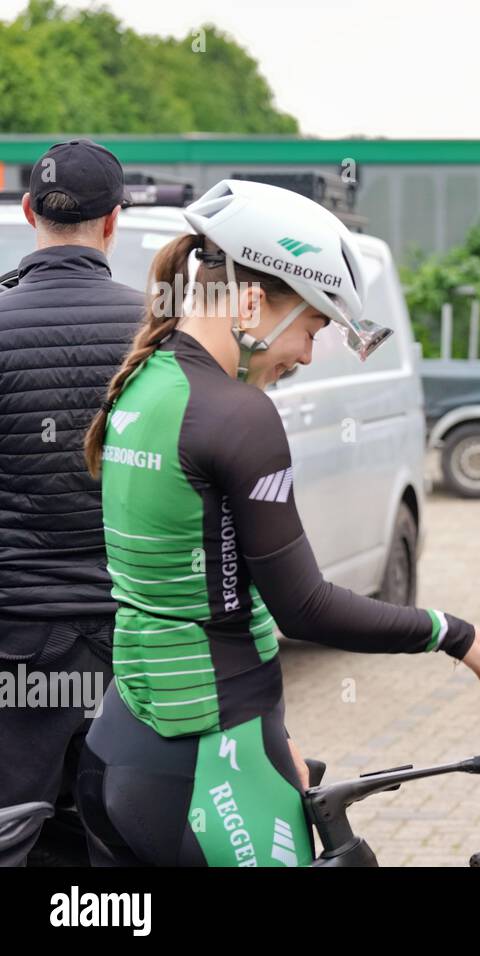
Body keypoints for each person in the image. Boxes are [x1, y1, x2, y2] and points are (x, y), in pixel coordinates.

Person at [74, 179, 480, 866]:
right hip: (211, 758)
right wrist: (455, 635)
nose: (306, 354)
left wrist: (269, 739)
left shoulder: (146, 381)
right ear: (249, 302)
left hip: (128, 744)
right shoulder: (237, 414)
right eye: (311, 325)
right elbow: (304, 606)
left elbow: (211, 582)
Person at [0, 141, 142, 866]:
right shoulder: (156, 333)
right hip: (134, 642)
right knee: (115, 837)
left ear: (28, 212)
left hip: (18, 644)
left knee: (14, 835)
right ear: (114, 221)